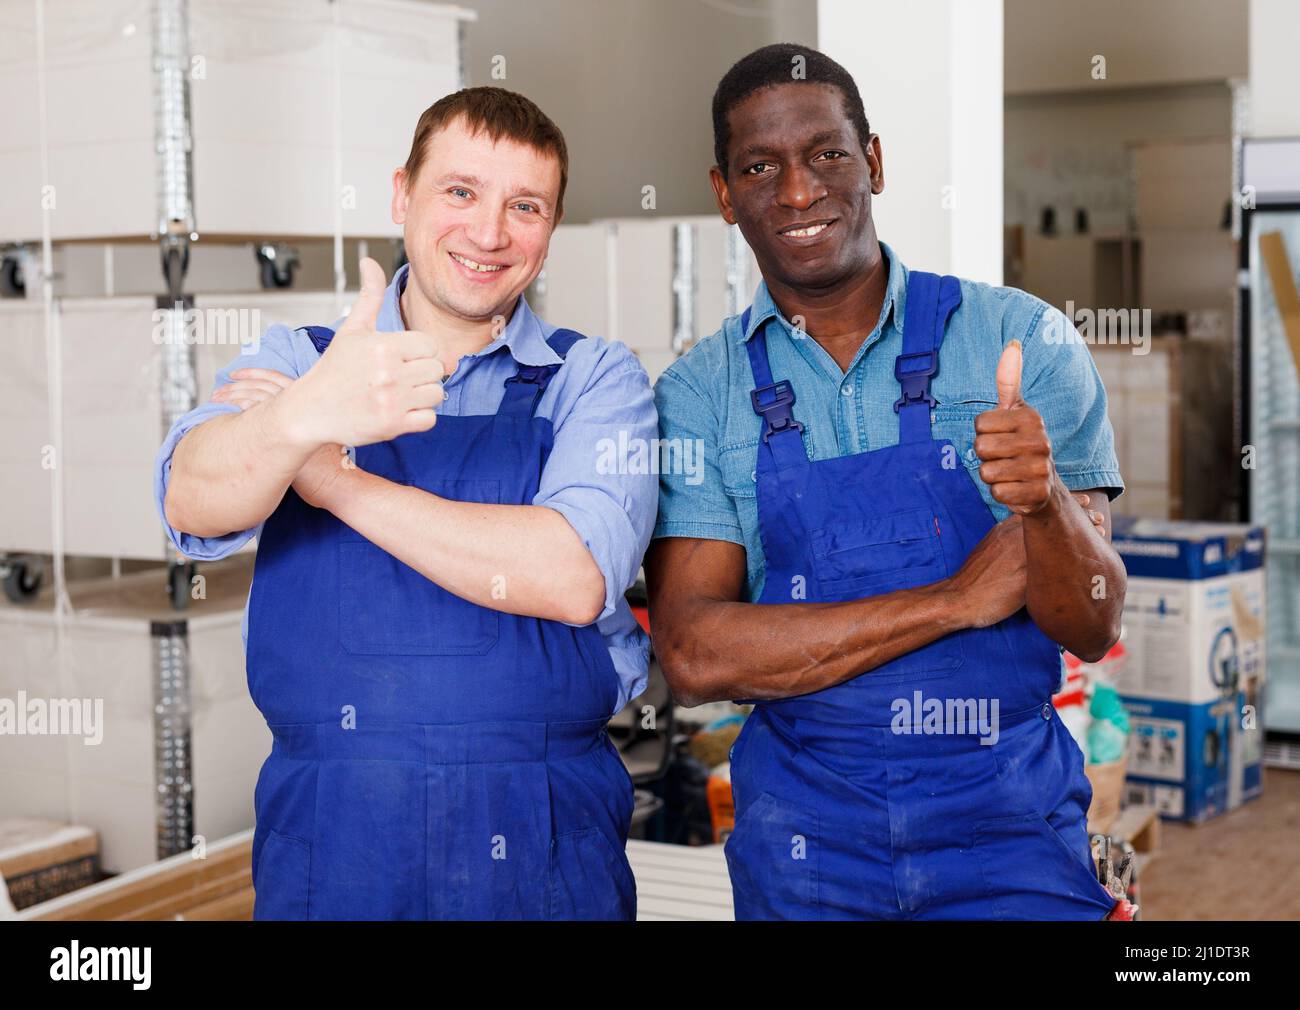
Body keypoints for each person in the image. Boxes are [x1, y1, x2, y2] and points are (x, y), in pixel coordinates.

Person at [647, 44, 1128, 920]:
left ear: (873, 159)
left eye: (827, 154)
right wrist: (955, 599)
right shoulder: (697, 394)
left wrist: (1047, 502)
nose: (799, 192)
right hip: (805, 859)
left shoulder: (1022, 340)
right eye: (761, 166)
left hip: (1010, 839)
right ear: (724, 194)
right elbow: (694, 653)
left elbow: (1091, 623)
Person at [155, 87, 656, 920]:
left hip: (542, 844)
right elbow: (191, 497)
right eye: (460, 191)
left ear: (550, 228)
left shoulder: (595, 379)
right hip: (334, 846)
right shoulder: (298, 364)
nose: (489, 233)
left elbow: (571, 574)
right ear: (401, 195)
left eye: (523, 206)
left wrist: (328, 478)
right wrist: (304, 414)